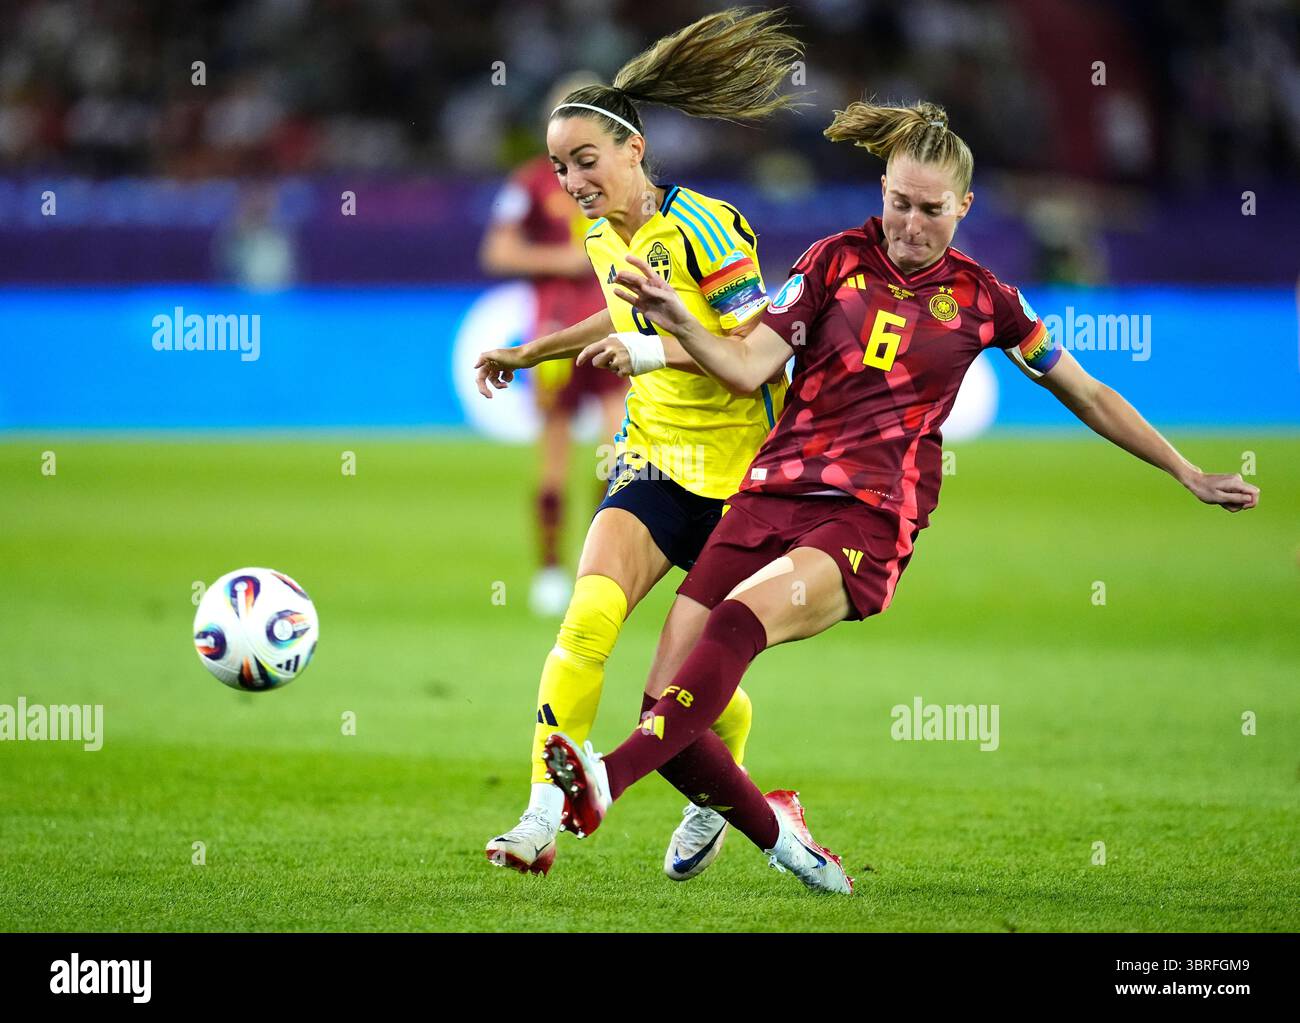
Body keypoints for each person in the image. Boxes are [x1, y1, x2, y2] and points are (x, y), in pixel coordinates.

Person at [546, 99, 1261, 895]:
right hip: (771, 491)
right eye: (898, 203)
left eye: (930, 210)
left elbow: (1086, 393)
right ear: (880, 187)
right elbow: (747, 367)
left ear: (964, 206)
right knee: (672, 715)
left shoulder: (989, 300)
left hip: (867, 514)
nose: (910, 226)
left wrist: (1186, 471)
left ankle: (603, 779)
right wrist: (677, 316)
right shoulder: (829, 262)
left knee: (739, 626)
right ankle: (785, 836)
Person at [475, 7, 802, 878]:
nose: (573, 180)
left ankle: (731, 798)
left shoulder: (708, 227)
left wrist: (659, 340)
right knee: (587, 620)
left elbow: (754, 356)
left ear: (635, 151)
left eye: (586, 160)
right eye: (558, 166)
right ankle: (541, 815)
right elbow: (613, 308)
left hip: (738, 487)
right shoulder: (597, 234)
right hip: (652, 462)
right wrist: (531, 348)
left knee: (688, 693)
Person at [479, 75, 629, 618]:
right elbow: (497, 251)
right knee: (556, 452)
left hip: (614, 322)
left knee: (619, 451)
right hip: (558, 328)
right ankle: (548, 568)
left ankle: (597, 559)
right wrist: (560, 263)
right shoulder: (531, 182)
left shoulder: (618, 181)